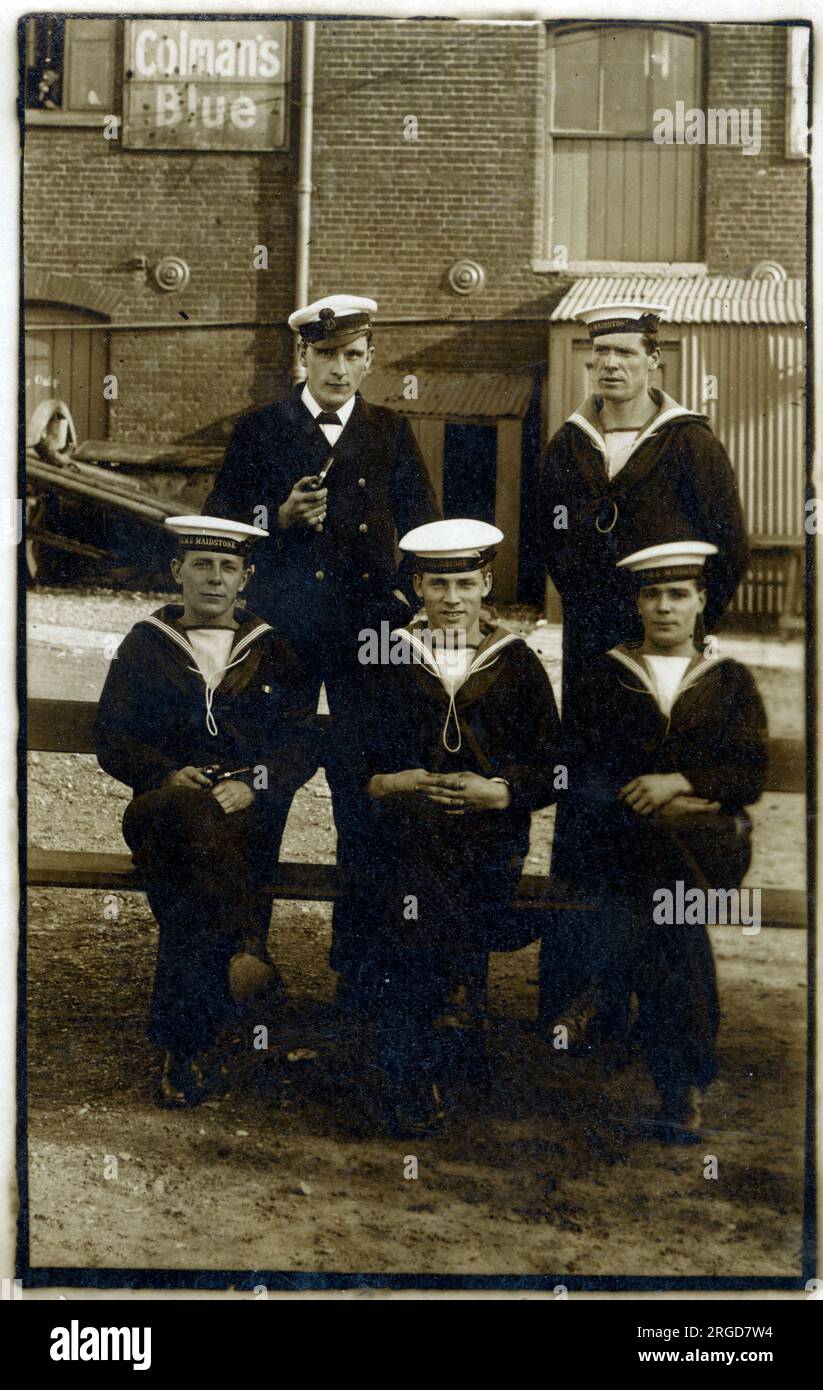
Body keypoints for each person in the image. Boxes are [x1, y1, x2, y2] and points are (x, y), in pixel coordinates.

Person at [203, 294, 441, 995]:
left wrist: (401, 600)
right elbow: (220, 525)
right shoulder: (260, 429)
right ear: (301, 356)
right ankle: (248, 949)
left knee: (362, 790)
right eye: (327, 354)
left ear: (369, 359)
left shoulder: (389, 431)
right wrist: (273, 517)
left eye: (353, 356)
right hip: (285, 637)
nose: (340, 369)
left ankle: (358, 962)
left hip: (368, 638)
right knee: (266, 780)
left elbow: (425, 528)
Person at [538, 300, 750, 1030]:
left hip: (669, 657)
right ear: (588, 361)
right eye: (600, 355)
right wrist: (594, 617)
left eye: (627, 353)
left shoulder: (687, 441)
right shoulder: (569, 444)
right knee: (590, 803)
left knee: (654, 812)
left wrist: (687, 633)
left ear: (654, 360)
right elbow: (548, 535)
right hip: (595, 656)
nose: (612, 365)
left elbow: (728, 545)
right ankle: (578, 993)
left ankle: (653, 1002)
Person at [94, 515, 318, 1107]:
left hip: (243, 815)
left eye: (227, 568)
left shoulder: (274, 649)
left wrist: (256, 784)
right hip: (159, 810)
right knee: (188, 822)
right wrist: (164, 773)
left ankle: (183, 1046)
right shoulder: (146, 645)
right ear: (177, 573)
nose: (214, 579)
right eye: (201, 565)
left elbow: (299, 744)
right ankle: (246, 947)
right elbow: (112, 735)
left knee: (192, 891)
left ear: (246, 578)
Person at [349, 519, 562, 1136]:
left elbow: (552, 766)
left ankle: (414, 1059)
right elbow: (350, 752)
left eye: (464, 583)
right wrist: (392, 781)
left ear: (486, 584)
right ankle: (443, 1029)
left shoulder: (516, 662)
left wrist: (498, 792)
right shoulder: (385, 653)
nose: (451, 598)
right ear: (417, 585)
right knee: (417, 873)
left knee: (424, 899)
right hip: (405, 833)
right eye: (437, 583)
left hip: (487, 841)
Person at [565, 541, 768, 1140]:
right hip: (632, 843)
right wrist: (638, 796)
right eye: (651, 595)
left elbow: (749, 773)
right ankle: (683, 1085)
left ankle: (606, 982)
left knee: (658, 880)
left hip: (710, 845)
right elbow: (577, 766)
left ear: (702, 600)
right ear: (636, 603)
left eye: (678, 594)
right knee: (671, 919)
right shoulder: (607, 675)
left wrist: (680, 782)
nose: (665, 608)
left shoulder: (729, 680)